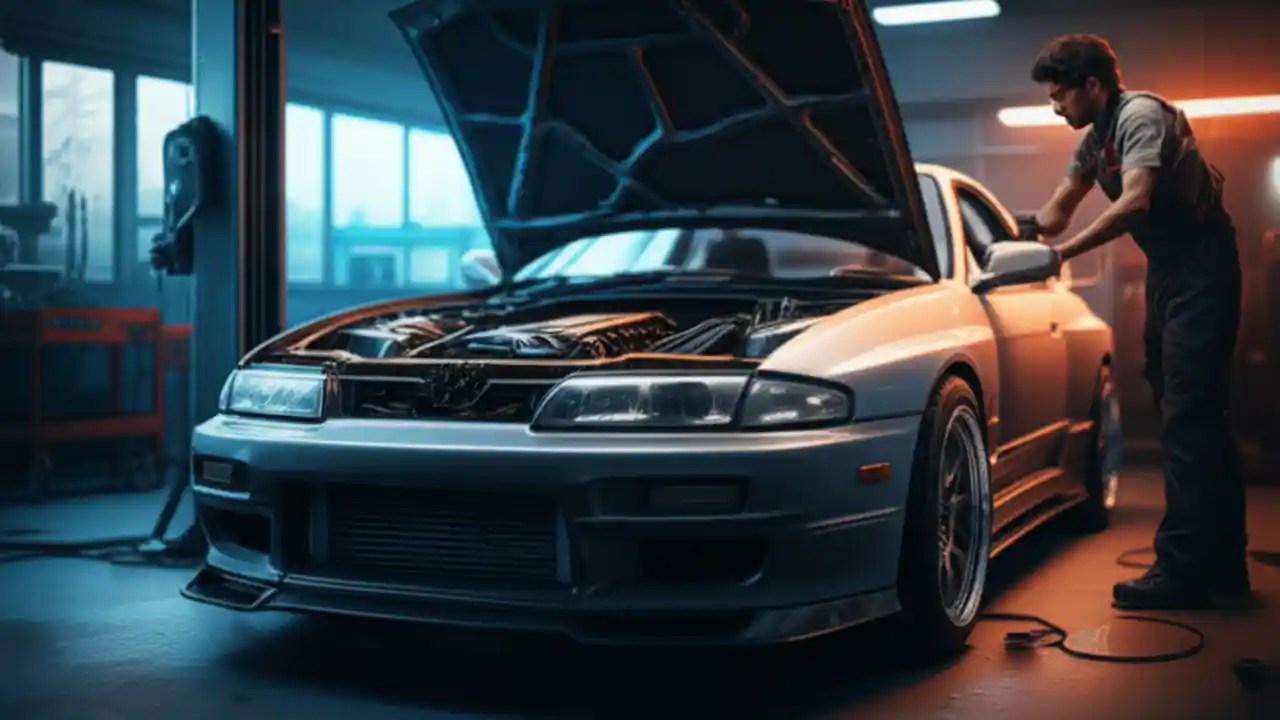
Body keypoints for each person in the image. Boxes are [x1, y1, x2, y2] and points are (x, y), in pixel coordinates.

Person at [1028, 34, 1248, 609]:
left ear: (1093, 86)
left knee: (1188, 417)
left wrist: (1065, 253)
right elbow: (1058, 207)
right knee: (1192, 414)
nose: (1055, 106)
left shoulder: (1141, 117)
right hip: (1170, 272)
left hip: (1204, 267)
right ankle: (1223, 564)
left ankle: (1183, 569)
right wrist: (1017, 238)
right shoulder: (1095, 138)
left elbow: (1135, 203)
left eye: (1060, 96)